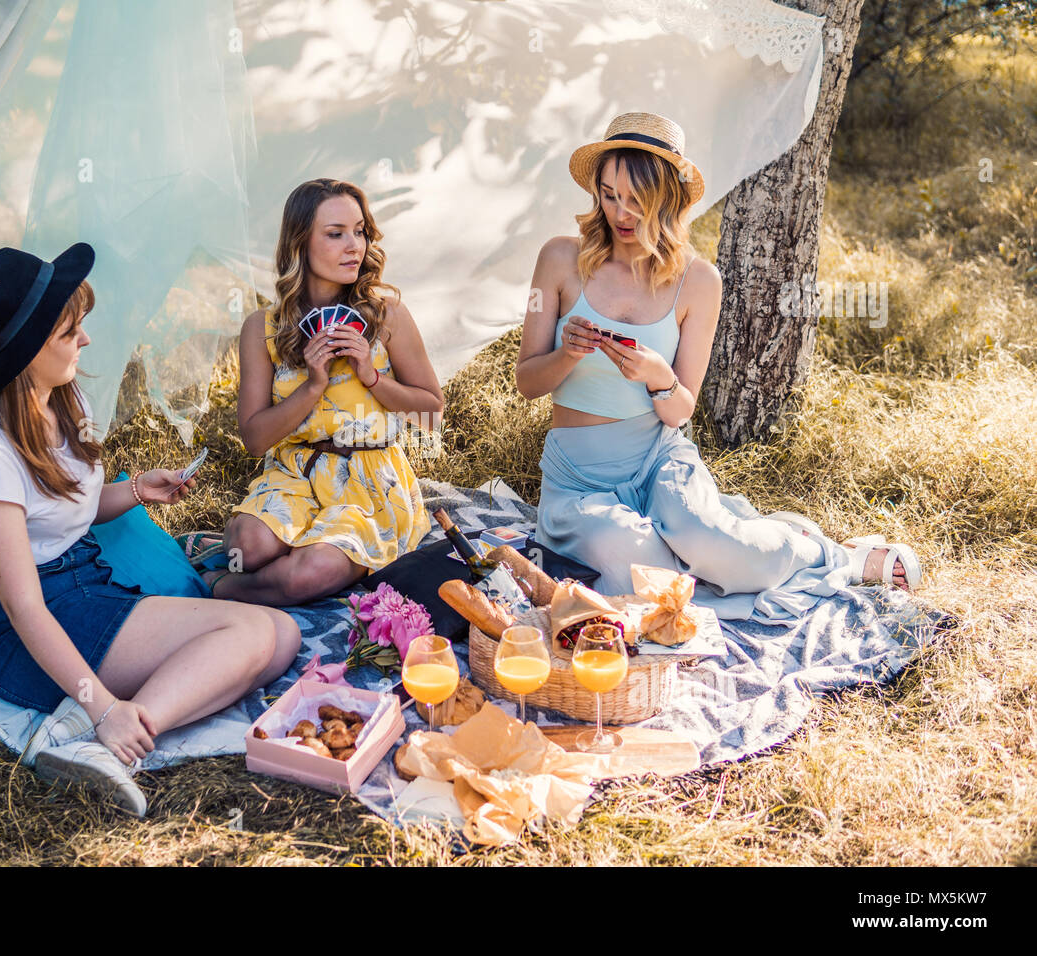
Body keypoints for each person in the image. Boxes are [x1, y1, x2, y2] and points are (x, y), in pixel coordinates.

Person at [515, 112, 921, 623]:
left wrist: (659, 377)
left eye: (637, 201)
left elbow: (680, 409)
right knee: (649, 582)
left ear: (668, 201)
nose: (620, 213)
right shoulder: (558, 259)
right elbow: (527, 382)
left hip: (657, 459)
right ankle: (737, 545)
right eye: (609, 194)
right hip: (577, 481)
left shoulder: (699, 281)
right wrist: (565, 354)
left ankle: (831, 553)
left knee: (711, 544)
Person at [0, 243, 300, 816]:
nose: (84, 340)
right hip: (26, 632)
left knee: (282, 636)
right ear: (28, 348)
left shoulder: (60, 399)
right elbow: (24, 608)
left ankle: (118, 724)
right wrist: (102, 706)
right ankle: (101, 739)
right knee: (254, 636)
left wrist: (136, 493)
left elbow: (65, 514)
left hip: (83, 586)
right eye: (68, 332)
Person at [206, 179, 444, 606]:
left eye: (360, 231)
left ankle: (220, 590)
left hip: (369, 479)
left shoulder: (387, 314)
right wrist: (313, 385)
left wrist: (372, 377)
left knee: (311, 572)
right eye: (335, 234)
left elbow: (431, 410)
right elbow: (255, 439)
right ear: (301, 243)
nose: (354, 245)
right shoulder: (264, 328)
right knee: (245, 549)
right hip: (296, 470)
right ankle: (277, 565)